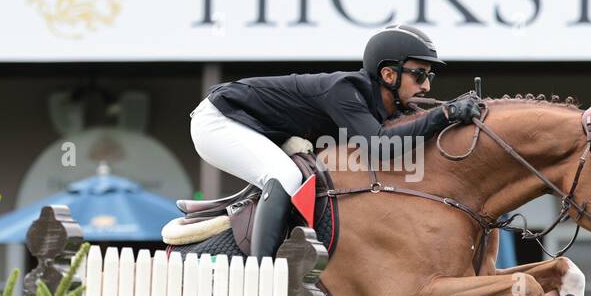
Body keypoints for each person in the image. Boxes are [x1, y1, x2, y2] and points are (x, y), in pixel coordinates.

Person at [189, 25, 481, 259]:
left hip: (259, 128)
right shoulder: (346, 90)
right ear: (388, 74)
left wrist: (452, 116)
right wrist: (446, 112)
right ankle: (264, 278)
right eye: (419, 75)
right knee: (285, 176)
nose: (427, 86)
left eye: (428, 77)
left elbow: (413, 131)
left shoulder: (384, 104)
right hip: (218, 121)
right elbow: (382, 147)